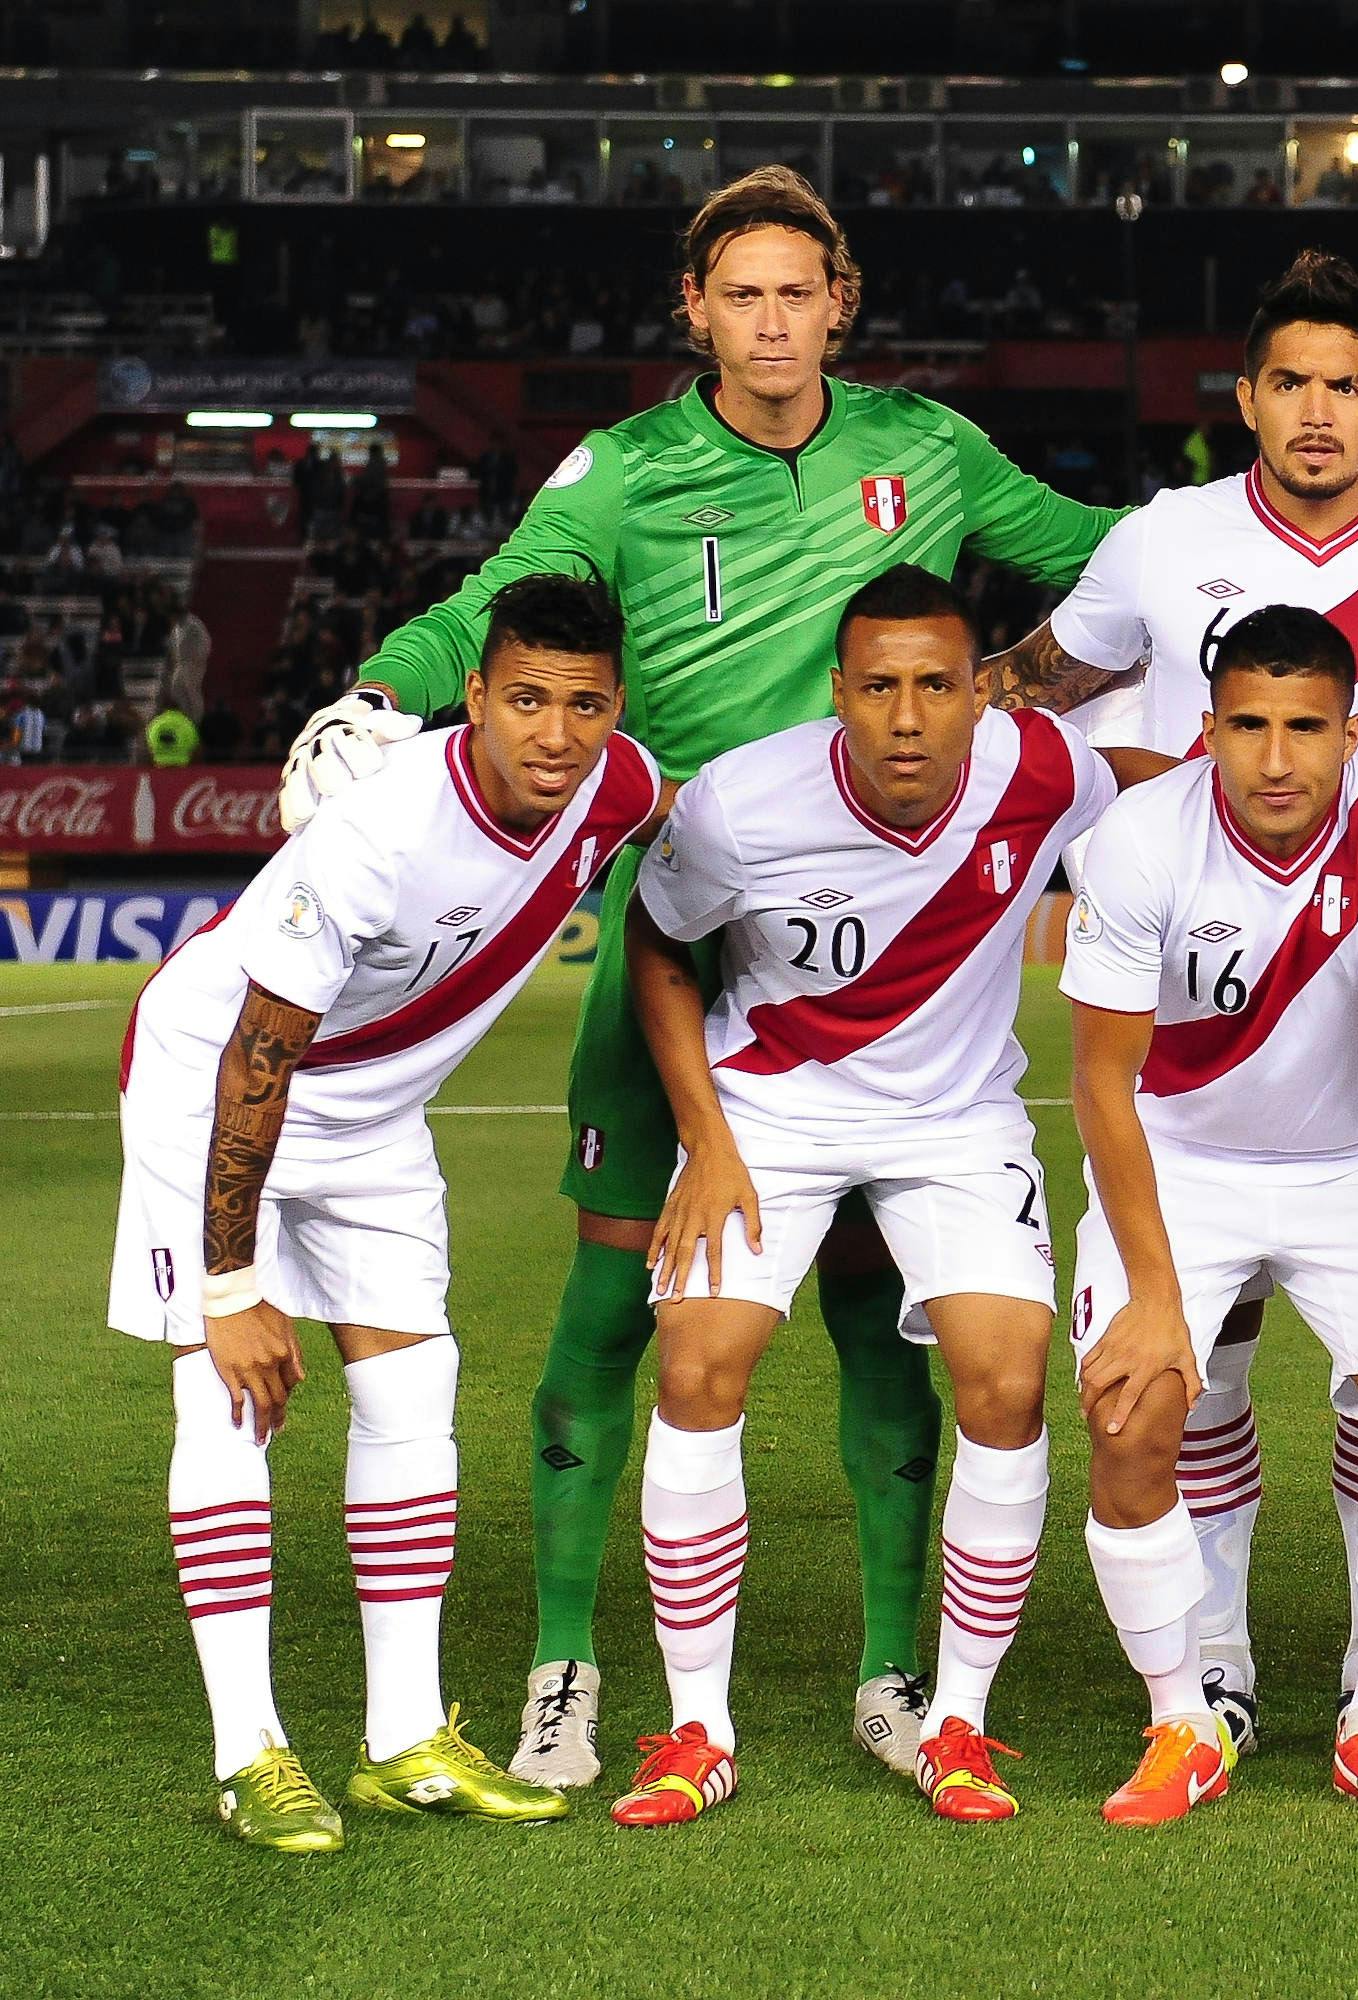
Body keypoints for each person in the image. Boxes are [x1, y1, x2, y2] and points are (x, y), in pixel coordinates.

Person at [268, 166, 1127, 1789]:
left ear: (841, 301)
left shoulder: (926, 453)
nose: (775, 321)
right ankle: (566, 1667)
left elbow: (1111, 558)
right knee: (610, 1312)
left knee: (891, 1322)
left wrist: (1277, 538)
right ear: (698, 312)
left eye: (800, 291)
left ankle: (897, 1678)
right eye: (744, 294)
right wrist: (385, 691)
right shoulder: (631, 470)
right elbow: (490, 604)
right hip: (682, 929)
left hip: (880, 964)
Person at [991, 249, 1358, 1752]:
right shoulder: (1164, 541)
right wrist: (924, 714)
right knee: (1187, 1379)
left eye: (1344, 385)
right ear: (1246, 399)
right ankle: (1210, 1668)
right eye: (1287, 381)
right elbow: (1050, 680)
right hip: (1193, 1000)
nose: (1314, 410)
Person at [602, 566, 1170, 1828]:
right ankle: (699, 1728)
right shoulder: (745, 802)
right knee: (698, 1363)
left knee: (1008, 1376)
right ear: (838, 693)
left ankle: (956, 1720)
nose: (908, 717)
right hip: (771, 1111)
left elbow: (1141, 773)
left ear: (979, 690)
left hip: (956, 1119)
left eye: (935, 685)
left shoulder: (1042, 769)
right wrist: (704, 1134)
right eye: (878, 688)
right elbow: (655, 937)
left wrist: (1248, 787)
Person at [111, 575, 658, 1852]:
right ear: (472, 699)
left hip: (370, 1118)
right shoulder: (381, 826)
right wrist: (235, 1289)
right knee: (227, 1393)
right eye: (524, 698)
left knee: (416, 1390)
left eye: (583, 704)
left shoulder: (617, 784)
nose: (555, 733)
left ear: (614, 707)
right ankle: (248, 1750)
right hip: (217, 1087)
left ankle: (402, 1736)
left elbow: (684, 818)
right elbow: (258, 1051)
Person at [1059, 606, 1358, 1825]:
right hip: (1180, 1158)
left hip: (1352, 1162)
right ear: (1207, 730)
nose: (1278, 757)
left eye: (1306, 727)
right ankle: (1182, 1715)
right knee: (1135, 1412)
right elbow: (1100, 1083)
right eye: (1249, 725)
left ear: (1353, 731)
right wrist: (1149, 1297)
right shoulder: (1139, 837)